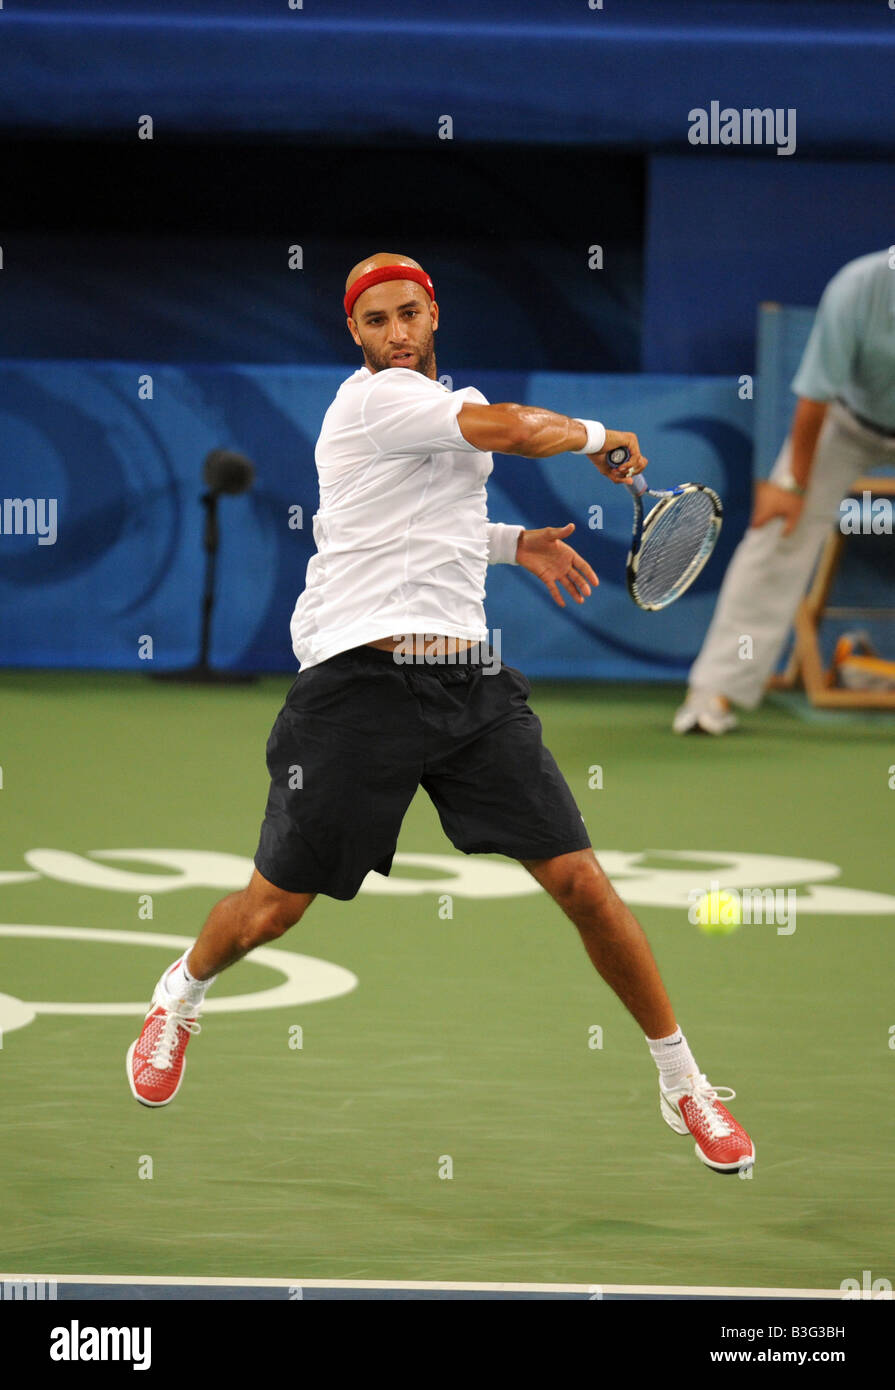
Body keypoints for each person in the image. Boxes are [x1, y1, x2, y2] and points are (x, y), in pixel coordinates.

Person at [127, 252, 754, 1174]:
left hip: (468, 687)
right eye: (375, 320)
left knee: (582, 884)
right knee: (272, 910)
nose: (395, 334)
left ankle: (683, 1083)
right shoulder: (377, 401)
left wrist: (512, 543)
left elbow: (423, 524)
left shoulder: (439, 409)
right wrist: (594, 435)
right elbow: (509, 431)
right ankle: (179, 994)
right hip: (354, 691)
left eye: (408, 314)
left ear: (433, 316)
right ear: (356, 333)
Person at [675, 248, 895, 734]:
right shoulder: (856, 287)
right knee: (779, 533)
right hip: (847, 425)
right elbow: (815, 397)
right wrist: (793, 484)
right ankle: (713, 691)